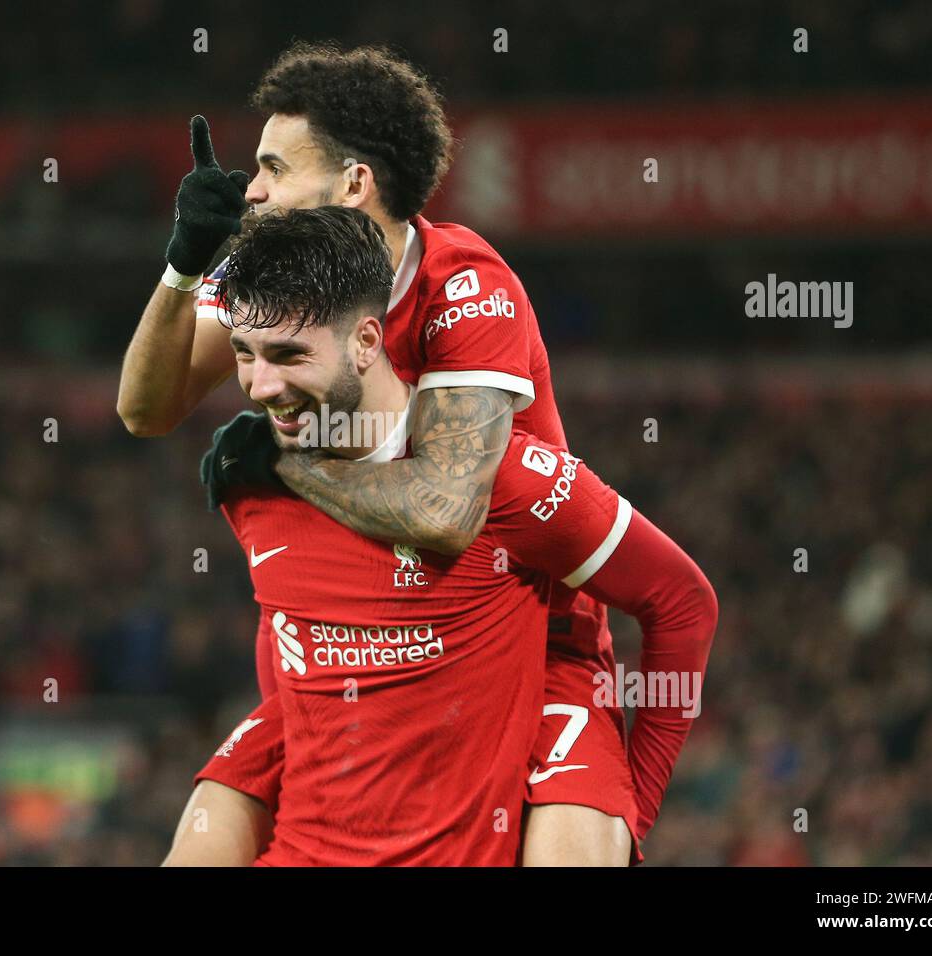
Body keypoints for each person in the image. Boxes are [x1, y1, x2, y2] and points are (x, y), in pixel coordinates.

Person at [120, 42, 701, 863]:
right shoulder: (279, 284)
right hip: (351, 662)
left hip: (527, 642)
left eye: (275, 167)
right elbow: (145, 410)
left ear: (354, 183)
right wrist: (184, 264)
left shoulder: (465, 284)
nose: (252, 189)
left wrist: (288, 464)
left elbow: (443, 509)